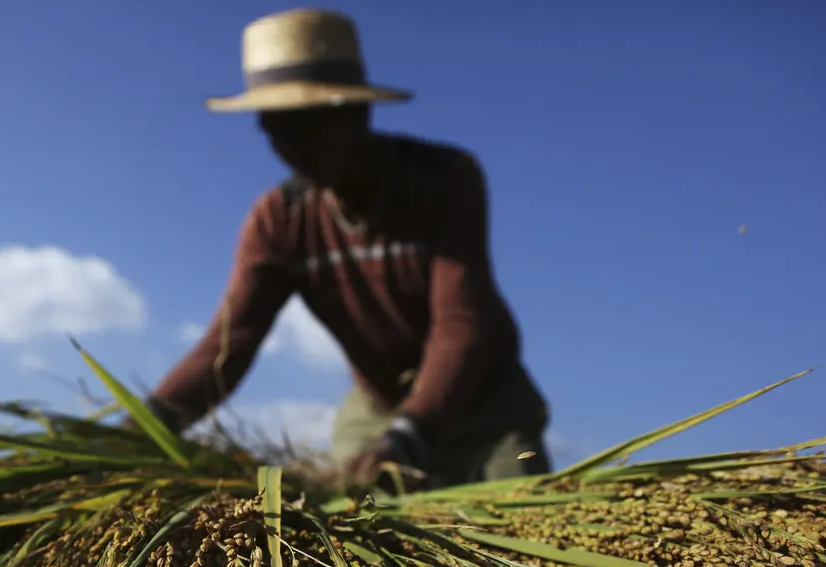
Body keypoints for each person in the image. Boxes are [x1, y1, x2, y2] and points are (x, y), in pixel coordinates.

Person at [142, 8, 553, 491]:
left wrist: (410, 434)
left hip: (483, 404)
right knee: (353, 522)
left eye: (306, 122)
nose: (289, 144)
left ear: (357, 112)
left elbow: (460, 321)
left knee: (513, 528)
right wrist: (142, 428)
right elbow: (228, 345)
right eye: (274, 126)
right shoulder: (280, 219)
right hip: (376, 410)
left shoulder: (442, 181)